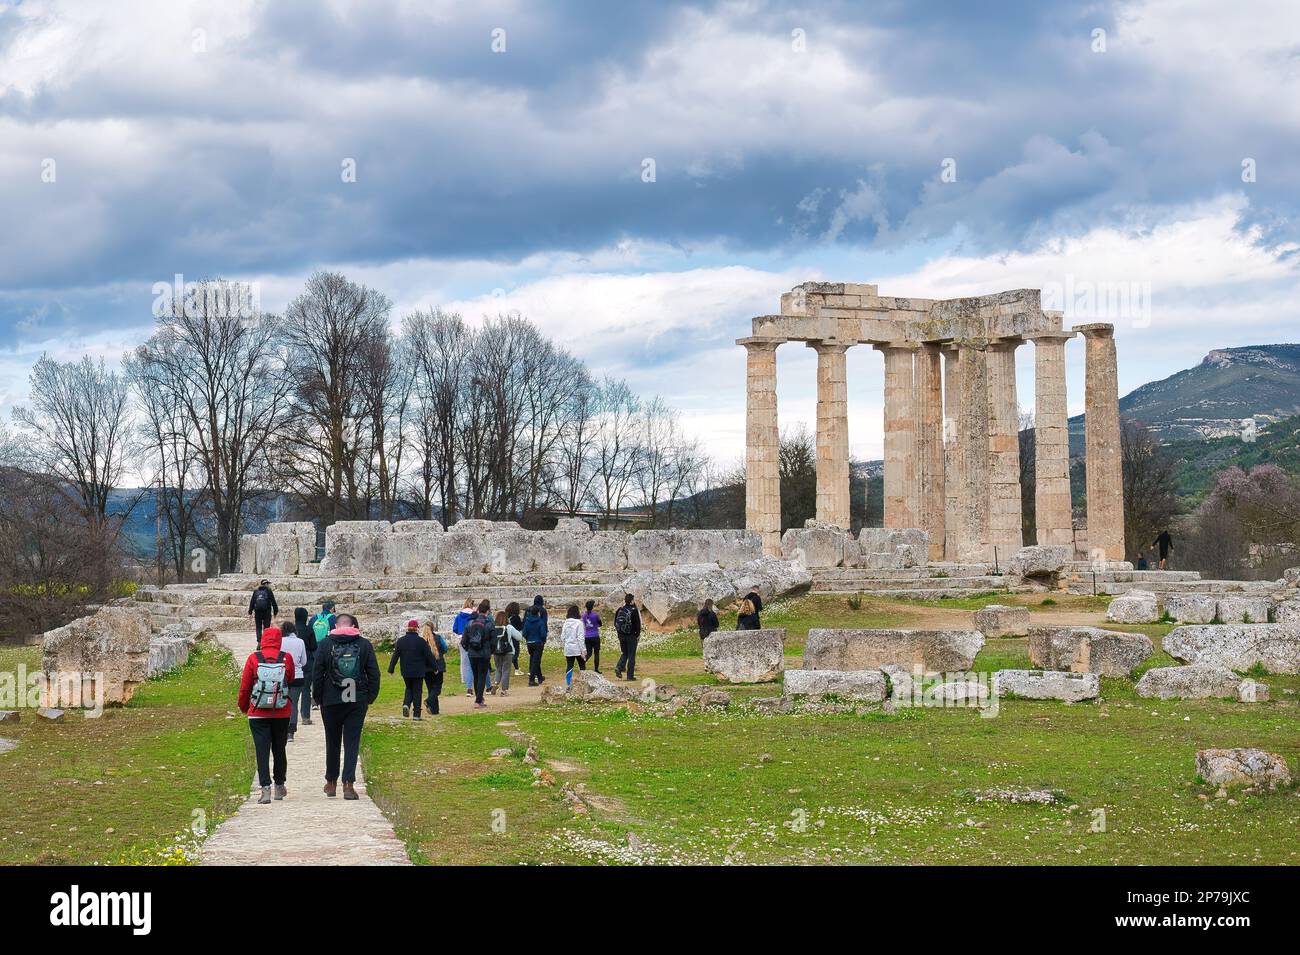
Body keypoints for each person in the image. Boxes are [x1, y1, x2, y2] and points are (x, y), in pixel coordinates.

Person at [312, 613, 381, 800]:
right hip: (356, 699)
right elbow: (374, 673)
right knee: (352, 741)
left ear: (335, 625)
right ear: (354, 625)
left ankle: (331, 782)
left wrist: (317, 697)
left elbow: (317, 672)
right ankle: (349, 784)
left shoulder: (326, 644)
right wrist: (370, 697)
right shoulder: (364, 644)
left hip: (331, 698)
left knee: (332, 740)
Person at [237, 625, 295, 804]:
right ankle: (279, 786)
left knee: (262, 751)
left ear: (263, 639)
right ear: (279, 640)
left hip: (258, 713)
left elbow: (245, 686)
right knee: (279, 749)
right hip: (281, 711)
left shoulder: (254, 658)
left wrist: (243, 706)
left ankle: (265, 789)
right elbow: (290, 678)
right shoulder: (286, 658)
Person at [388, 619, 438, 719]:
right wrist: (435, 667)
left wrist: (391, 668)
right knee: (417, 691)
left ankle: (406, 704)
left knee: (409, 688)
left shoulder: (401, 641)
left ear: (408, 628)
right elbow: (429, 656)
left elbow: (395, 656)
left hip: (405, 670)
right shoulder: (421, 641)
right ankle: (416, 714)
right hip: (418, 670)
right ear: (417, 629)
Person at [460, 600, 495, 708]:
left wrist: (469, 649)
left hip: (472, 653)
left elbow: (463, 641)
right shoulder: (489, 624)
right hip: (484, 653)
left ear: (478, 610)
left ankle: (478, 698)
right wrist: (490, 651)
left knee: (476, 675)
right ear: (487, 611)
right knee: (482, 675)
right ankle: (478, 700)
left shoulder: (470, 623)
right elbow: (494, 641)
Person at [279, 619, 308, 741]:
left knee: (282, 703)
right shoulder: (300, 642)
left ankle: (283, 729)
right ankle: (291, 731)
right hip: (298, 676)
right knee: (294, 704)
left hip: (283, 675)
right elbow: (304, 661)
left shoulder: (280, 641)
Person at [421, 620, 448, 715]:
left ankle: (434, 709)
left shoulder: (421, 641)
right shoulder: (438, 638)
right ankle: (429, 701)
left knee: (430, 688)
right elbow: (445, 648)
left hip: (425, 667)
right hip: (438, 665)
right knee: (437, 688)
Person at [294, 606, 316, 724]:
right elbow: (313, 647)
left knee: (292, 691)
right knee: (306, 689)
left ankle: (292, 716)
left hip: (293, 662)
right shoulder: (308, 630)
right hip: (307, 662)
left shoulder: (291, 630)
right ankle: (305, 716)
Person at [613, 593, 641, 681]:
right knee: (631, 656)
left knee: (624, 653)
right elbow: (637, 624)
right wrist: (637, 634)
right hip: (631, 635)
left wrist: (619, 633)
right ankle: (630, 676)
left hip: (621, 635)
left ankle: (619, 667)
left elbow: (615, 623)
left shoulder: (620, 609)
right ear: (632, 601)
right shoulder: (634, 610)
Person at [452, 598, 475, 697]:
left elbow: (455, 628)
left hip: (461, 638)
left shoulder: (459, 616)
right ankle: (473, 678)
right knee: (473, 660)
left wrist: (460, 633)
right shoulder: (474, 615)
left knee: (464, 660)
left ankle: (464, 678)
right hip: (473, 638)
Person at [491, 610, 516, 696]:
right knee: (506, 670)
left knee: (498, 669)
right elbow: (519, 637)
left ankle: (495, 683)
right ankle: (504, 690)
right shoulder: (508, 627)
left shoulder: (493, 627)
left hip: (496, 651)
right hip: (507, 651)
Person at [523, 602, 548, 686]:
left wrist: (528, 639)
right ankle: (531, 679)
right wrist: (543, 640)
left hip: (530, 643)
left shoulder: (527, 622)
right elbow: (543, 634)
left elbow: (524, 633)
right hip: (538, 642)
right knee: (535, 661)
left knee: (534, 659)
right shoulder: (540, 622)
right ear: (538, 613)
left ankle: (540, 677)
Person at [561, 604, 586, 686]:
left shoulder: (566, 623)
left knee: (569, 666)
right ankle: (583, 683)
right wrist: (583, 650)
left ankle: (568, 685)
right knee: (582, 665)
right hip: (577, 648)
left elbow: (563, 637)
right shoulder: (579, 623)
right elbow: (580, 638)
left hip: (568, 648)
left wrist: (565, 645)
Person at [247, 578, 279, 643]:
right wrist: (275, 612)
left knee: (258, 627)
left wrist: (250, 612)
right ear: (266, 584)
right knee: (266, 628)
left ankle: (259, 642)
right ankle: (265, 641)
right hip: (267, 612)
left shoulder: (256, 591)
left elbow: (252, 602)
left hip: (258, 612)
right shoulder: (269, 591)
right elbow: (273, 602)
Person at [581, 599, 603, 672]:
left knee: (589, 653)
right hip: (595, 635)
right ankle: (596, 669)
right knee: (596, 653)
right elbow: (600, 623)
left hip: (587, 636)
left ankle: (582, 663)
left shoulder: (584, 616)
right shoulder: (595, 615)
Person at [505, 601, 524, 675]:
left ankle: (516, 668)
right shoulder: (516, 617)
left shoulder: (508, 617)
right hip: (515, 636)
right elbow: (519, 627)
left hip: (509, 636)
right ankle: (513, 667)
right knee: (516, 653)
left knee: (512, 652)